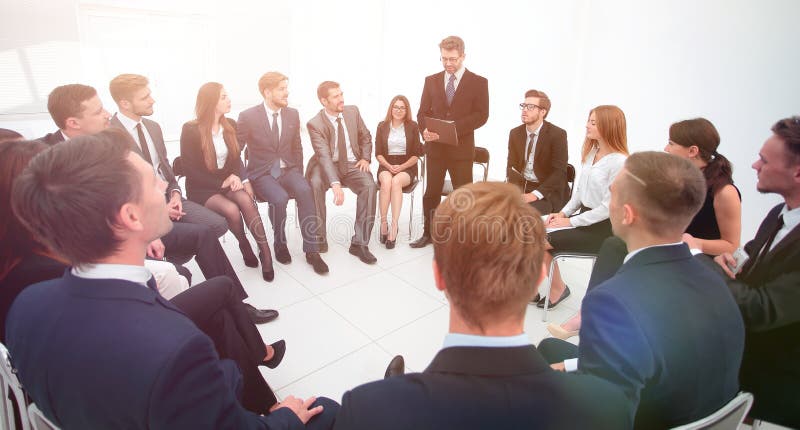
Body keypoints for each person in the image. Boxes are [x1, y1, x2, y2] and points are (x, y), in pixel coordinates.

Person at [6, 130, 338, 429]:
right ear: (131, 216)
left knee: (220, 314)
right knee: (329, 410)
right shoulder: (175, 351)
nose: (165, 187)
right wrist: (287, 418)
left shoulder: (27, 305)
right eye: (153, 182)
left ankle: (259, 394)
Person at [334, 182, 630, 429]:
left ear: (439, 276)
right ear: (540, 277)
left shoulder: (362, 410)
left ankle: (399, 392)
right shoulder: (608, 410)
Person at [539, 152, 744, 429]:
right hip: (701, 412)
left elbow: (606, 414)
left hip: (646, 418)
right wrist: (568, 367)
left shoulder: (614, 301)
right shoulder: (716, 276)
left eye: (612, 194)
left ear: (627, 214)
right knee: (549, 349)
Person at [549, 117, 742, 338]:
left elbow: (730, 244)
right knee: (615, 244)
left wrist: (693, 243)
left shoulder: (725, 192)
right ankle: (589, 311)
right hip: (669, 246)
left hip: (694, 257)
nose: (666, 149)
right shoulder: (678, 178)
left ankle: (620, 327)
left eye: (671, 143)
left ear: (692, 151)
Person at [109, 75, 276, 322]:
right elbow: (117, 187)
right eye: (145, 97)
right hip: (155, 206)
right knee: (224, 217)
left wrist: (175, 193)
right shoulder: (108, 136)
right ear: (124, 103)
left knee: (231, 212)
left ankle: (260, 259)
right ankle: (230, 290)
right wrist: (157, 208)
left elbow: (166, 169)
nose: (152, 100)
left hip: (173, 197)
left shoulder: (153, 127)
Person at [707, 116, 800, 428]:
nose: (754, 165)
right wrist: (728, 260)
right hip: (741, 348)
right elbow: (748, 254)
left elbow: (763, 309)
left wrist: (709, 269)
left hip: (775, 374)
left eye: (764, 160)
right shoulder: (779, 214)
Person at [180, 82, 276, 282]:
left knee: (246, 201)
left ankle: (265, 252)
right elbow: (189, 169)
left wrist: (238, 177)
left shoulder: (230, 124)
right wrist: (221, 183)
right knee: (231, 210)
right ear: (211, 102)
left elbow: (235, 157)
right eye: (224, 97)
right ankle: (244, 244)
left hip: (226, 180)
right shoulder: (190, 129)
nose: (229, 100)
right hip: (202, 187)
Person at [236, 72, 328, 274]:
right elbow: (235, 152)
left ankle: (312, 250)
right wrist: (244, 179)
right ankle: (280, 243)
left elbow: (297, 147)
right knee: (279, 198)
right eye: (281, 89)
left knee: (305, 190)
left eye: (286, 88)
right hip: (262, 173)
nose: (287, 92)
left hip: (288, 170)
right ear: (267, 92)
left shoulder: (292, 114)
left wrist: (299, 173)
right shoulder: (248, 116)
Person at [538, 105, 628, 309]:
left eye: (593, 122)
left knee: (537, 241)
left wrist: (569, 222)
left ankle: (557, 289)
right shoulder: (592, 153)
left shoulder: (620, 163)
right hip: (582, 218)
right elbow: (579, 192)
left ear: (609, 126)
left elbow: (606, 209)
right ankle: (557, 287)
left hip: (601, 229)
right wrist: (562, 213)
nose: (587, 125)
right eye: (589, 121)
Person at [410, 35, 489, 249]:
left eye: (452, 59)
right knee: (431, 194)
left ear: (463, 56)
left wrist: (454, 128)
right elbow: (422, 112)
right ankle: (428, 234)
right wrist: (424, 130)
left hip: (461, 151)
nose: (448, 63)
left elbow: (482, 115)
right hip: (435, 149)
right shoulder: (431, 80)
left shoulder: (479, 82)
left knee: (464, 196)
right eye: (444, 58)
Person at [306, 81, 378, 264]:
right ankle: (319, 238)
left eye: (341, 94)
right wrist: (335, 183)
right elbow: (324, 156)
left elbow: (365, 136)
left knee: (369, 186)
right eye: (336, 96)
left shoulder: (352, 111)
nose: (341, 99)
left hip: (352, 163)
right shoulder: (315, 124)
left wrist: (366, 158)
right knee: (315, 183)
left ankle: (359, 244)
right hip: (326, 165)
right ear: (324, 101)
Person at [507, 89, 569, 215]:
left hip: (548, 192)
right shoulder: (515, 133)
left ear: (542, 112)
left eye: (530, 107)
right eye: (524, 106)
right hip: (523, 187)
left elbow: (559, 172)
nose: (525, 110)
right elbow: (511, 166)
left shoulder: (557, 135)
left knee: (521, 213)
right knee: (493, 206)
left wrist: (535, 195)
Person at [375, 95, 424, 248]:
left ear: (406, 110)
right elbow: (378, 153)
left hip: (407, 165)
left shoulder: (413, 126)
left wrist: (401, 167)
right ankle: (384, 222)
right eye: (396, 107)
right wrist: (389, 165)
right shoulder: (382, 126)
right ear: (391, 108)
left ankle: (394, 226)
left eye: (402, 108)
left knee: (396, 182)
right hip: (386, 163)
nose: (399, 110)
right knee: (386, 181)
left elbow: (416, 155)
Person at [38, 83, 111, 144]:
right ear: (73, 123)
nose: (109, 115)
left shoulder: (112, 139)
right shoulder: (43, 154)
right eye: (98, 112)